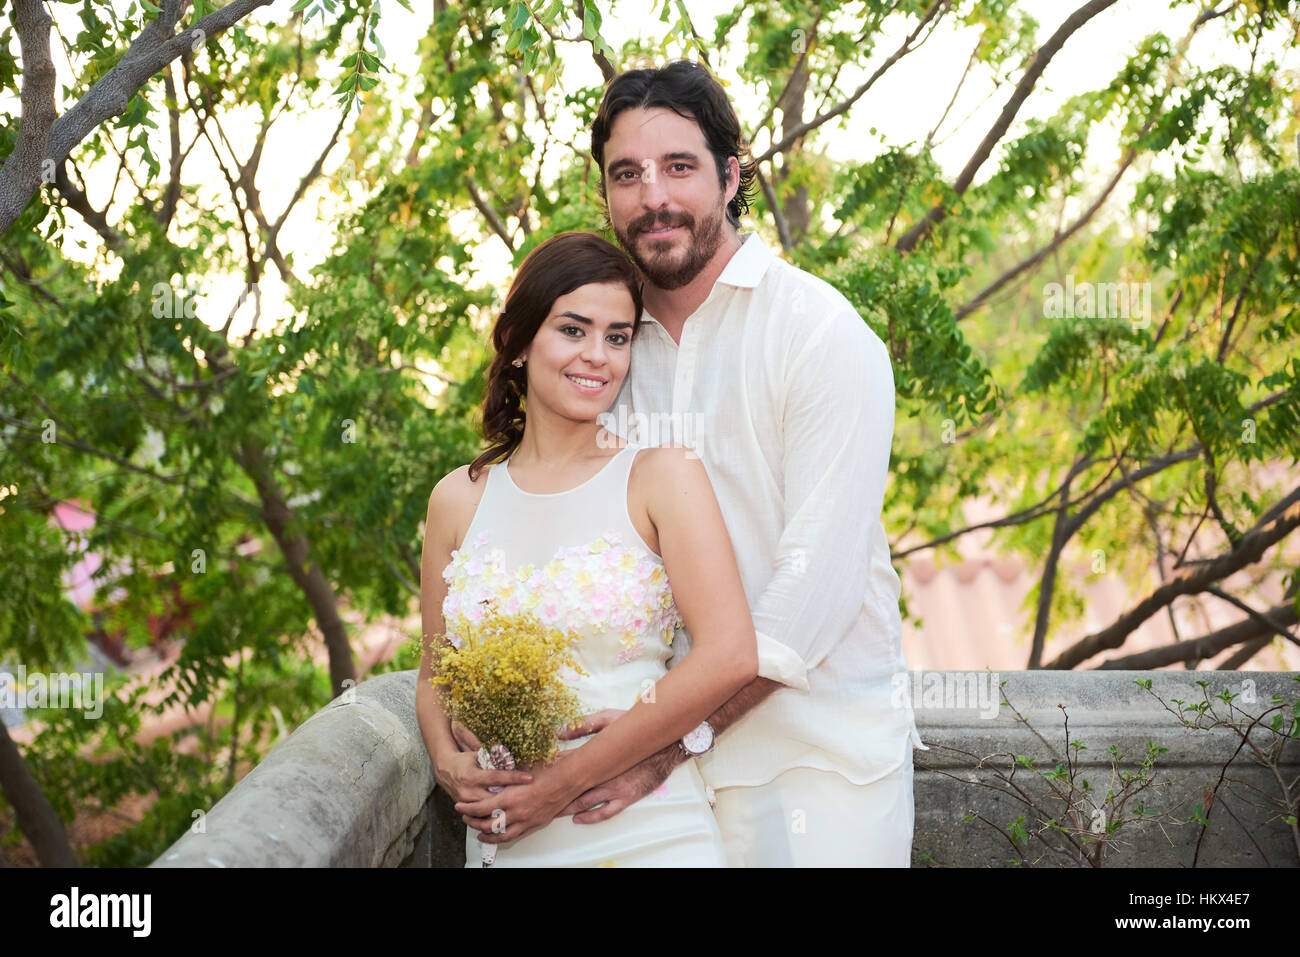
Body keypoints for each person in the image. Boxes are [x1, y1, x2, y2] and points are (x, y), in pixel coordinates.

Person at [547, 59, 927, 867]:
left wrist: (664, 745)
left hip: (816, 765)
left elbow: (811, 601)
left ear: (730, 175)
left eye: (679, 167)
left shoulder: (818, 334)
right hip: (645, 787)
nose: (653, 196)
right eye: (627, 174)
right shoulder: (600, 355)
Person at [416, 230, 759, 866]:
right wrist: (445, 761)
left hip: (644, 830)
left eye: (618, 336)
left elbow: (731, 655)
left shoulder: (662, 475)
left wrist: (566, 782)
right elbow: (436, 672)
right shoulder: (456, 499)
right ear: (519, 341)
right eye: (573, 330)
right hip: (502, 835)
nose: (597, 355)